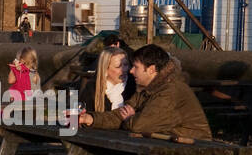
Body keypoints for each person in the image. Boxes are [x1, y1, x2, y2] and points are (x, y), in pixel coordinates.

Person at [81, 44, 211, 140]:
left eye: (135, 67)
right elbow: (119, 115)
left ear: (151, 69)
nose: (131, 71)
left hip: (193, 146)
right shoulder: (147, 89)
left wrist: (130, 117)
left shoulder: (170, 91)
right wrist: (90, 118)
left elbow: (139, 125)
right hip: (168, 142)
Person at [85, 46, 136, 114]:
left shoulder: (135, 86)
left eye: (126, 64)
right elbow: (74, 120)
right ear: (105, 69)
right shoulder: (91, 88)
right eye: (118, 66)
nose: (124, 69)